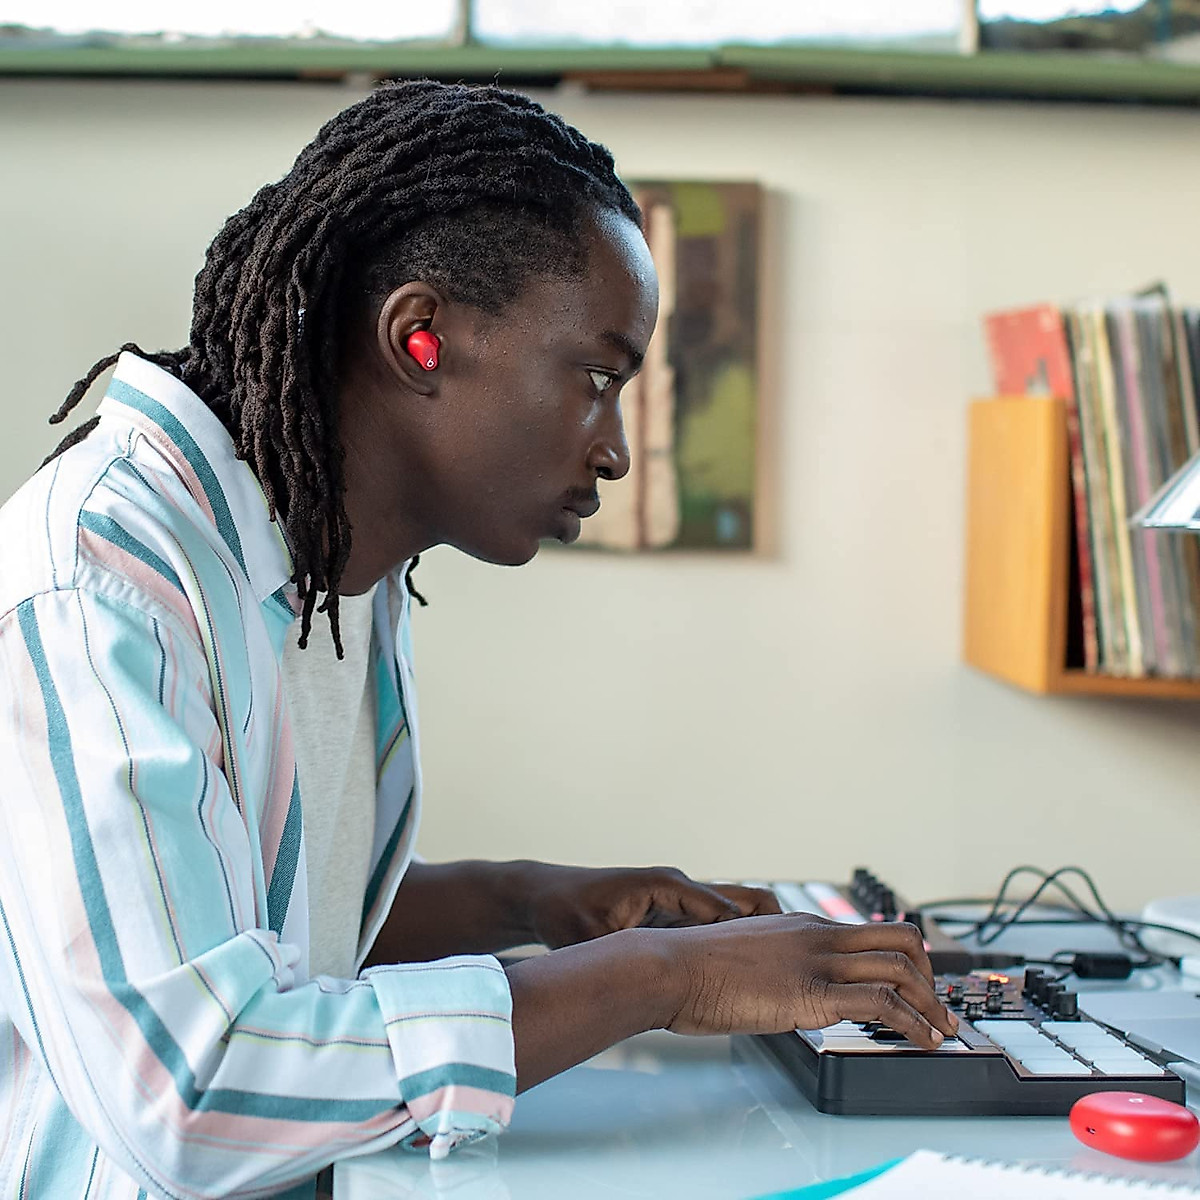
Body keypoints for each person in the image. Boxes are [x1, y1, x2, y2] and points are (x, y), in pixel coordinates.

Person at [0, 81, 956, 1200]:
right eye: (597, 379)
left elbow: (259, 914)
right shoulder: (104, 585)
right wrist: (652, 977)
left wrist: (531, 899)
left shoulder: (340, 569)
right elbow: (197, 1091)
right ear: (422, 338)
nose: (615, 453)